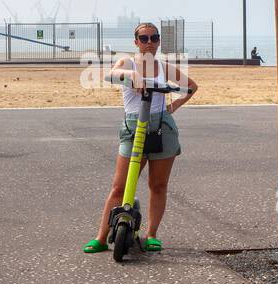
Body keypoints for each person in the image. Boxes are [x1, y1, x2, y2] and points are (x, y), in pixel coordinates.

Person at [83, 22, 197, 253]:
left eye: (154, 38)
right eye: (143, 38)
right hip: (133, 126)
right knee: (120, 186)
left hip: (161, 127)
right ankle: (101, 238)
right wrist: (132, 75)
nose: (149, 43)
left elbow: (192, 87)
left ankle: (152, 234)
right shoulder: (128, 62)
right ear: (136, 42)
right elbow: (112, 74)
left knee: (158, 184)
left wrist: (174, 104)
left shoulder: (165, 67)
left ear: (158, 42)